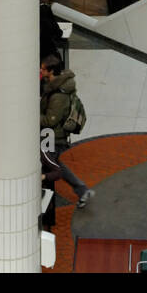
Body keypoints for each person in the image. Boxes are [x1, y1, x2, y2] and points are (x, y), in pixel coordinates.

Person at [39, 57, 94, 207]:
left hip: (54, 137)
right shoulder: (53, 86)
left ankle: (46, 201)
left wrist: (33, 116)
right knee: (54, 164)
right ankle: (82, 189)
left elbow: (51, 120)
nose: (41, 70)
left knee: (52, 165)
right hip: (50, 135)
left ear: (51, 71)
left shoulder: (59, 96)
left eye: (43, 69)